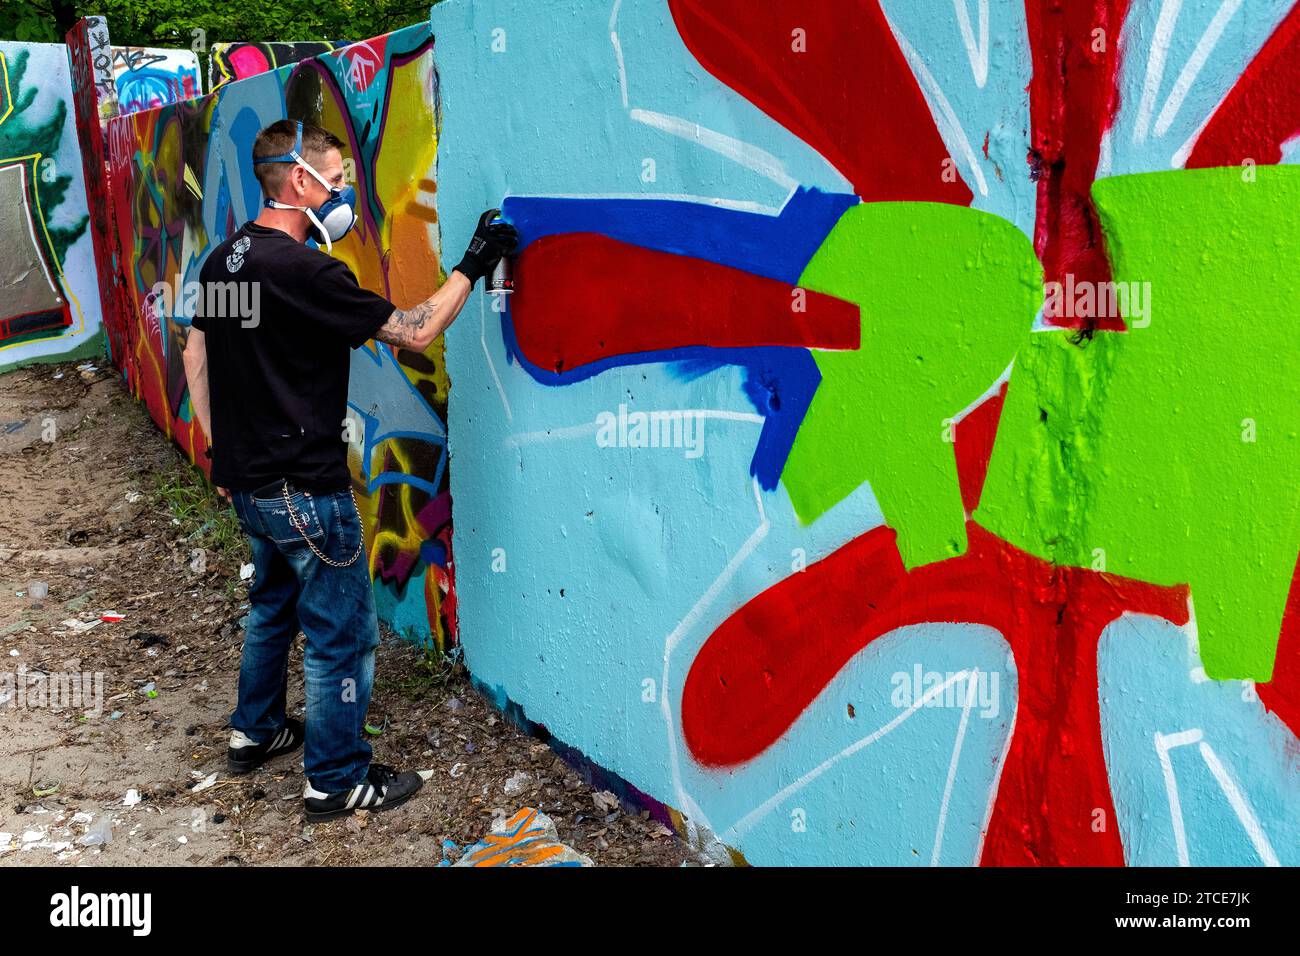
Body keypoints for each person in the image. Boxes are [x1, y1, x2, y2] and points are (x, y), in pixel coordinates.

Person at [182, 118, 516, 822]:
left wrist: (223, 453)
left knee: (273, 607)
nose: (344, 194)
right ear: (299, 180)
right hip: (305, 491)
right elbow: (416, 328)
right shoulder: (306, 272)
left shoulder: (226, 261)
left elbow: (195, 355)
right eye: (337, 180)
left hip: (250, 485)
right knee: (342, 637)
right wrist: (473, 262)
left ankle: (256, 729)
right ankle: (335, 780)